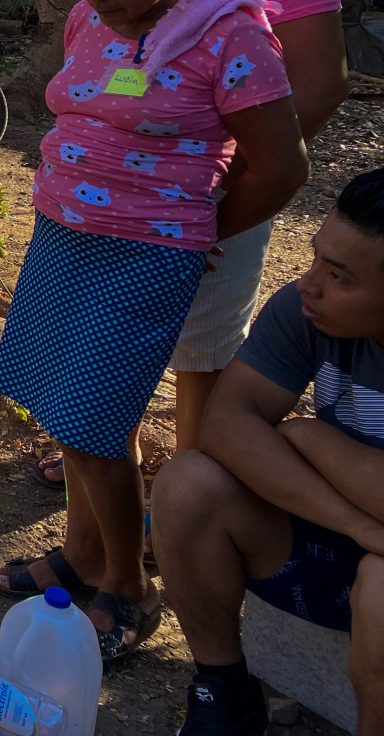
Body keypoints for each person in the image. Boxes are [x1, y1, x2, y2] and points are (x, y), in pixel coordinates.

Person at [0, 0, 308, 662]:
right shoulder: (89, 20)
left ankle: (129, 588)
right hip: (64, 235)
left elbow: (282, 165)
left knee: (92, 423)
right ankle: (83, 555)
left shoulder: (231, 33)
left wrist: (196, 230)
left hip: (146, 256)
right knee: (67, 409)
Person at [36, 0, 350, 488]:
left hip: (210, 196)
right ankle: (102, 461)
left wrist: (215, 196)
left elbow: (319, 85)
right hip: (132, 209)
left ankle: (188, 498)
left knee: (199, 350)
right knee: (115, 354)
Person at [154, 167, 384, 736]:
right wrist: (355, 522)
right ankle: (224, 694)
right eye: (316, 259)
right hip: (344, 531)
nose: (309, 284)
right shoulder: (307, 311)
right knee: (187, 484)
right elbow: (226, 425)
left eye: (338, 276)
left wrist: (309, 436)